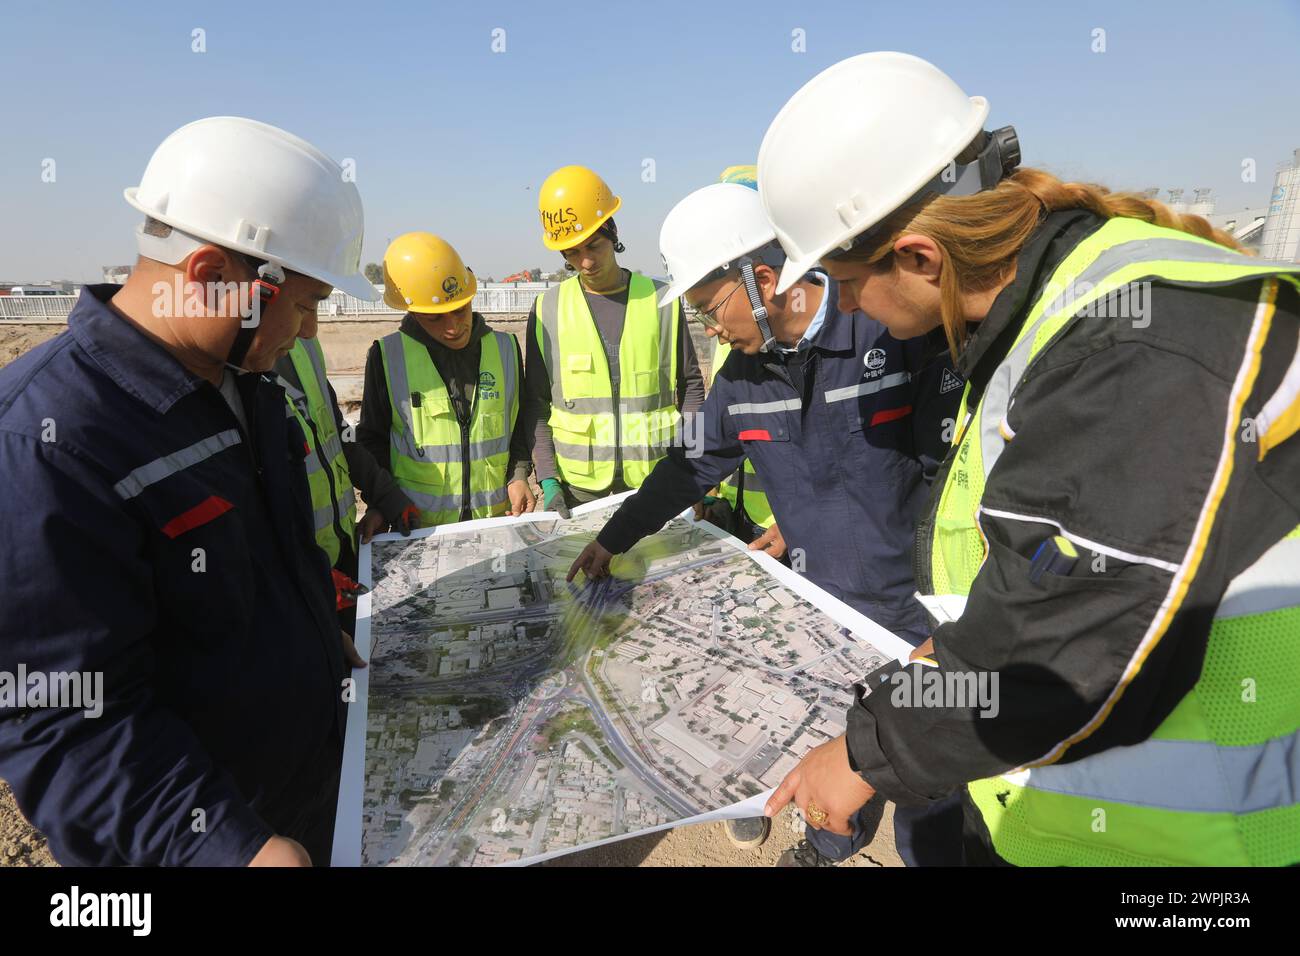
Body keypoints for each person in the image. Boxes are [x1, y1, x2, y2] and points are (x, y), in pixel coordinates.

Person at [758, 52, 1300, 866]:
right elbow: (1044, 578)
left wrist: (867, 755)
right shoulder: (1051, 316)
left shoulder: (1137, 356)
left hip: (1196, 854)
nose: (848, 308)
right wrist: (939, 663)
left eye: (845, 281)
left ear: (917, 258)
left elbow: (1055, 661)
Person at [0, 116, 378, 866]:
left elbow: (266, 558)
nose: (307, 335)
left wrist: (312, 634)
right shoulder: (48, 441)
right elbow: (65, 723)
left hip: (308, 784)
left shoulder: (247, 387)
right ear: (210, 276)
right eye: (303, 306)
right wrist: (228, 848)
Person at [566, 179, 960, 862]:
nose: (709, 329)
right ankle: (825, 850)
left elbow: (948, 470)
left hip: (920, 618)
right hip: (827, 618)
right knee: (830, 774)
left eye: (709, 309)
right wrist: (613, 537)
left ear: (765, 280)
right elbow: (690, 466)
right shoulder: (742, 378)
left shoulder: (889, 330)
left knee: (932, 792)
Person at [523, 165, 704, 516]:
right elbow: (537, 404)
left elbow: (692, 388)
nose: (586, 262)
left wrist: (693, 469)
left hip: (656, 483)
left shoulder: (661, 299)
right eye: (572, 253)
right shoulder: (547, 309)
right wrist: (547, 480)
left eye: (595, 246)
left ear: (613, 233)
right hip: (579, 493)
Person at [358, 232, 533, 525]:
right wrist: (381, 503)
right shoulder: (387, 357)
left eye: (460, 310)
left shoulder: (506, 350)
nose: (453, 327)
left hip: (494, 522)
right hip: (418, 528)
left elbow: (519, 426)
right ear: (412, 311)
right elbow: (372, 441)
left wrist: (518, 475)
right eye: (435, 318)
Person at [274, 331, 418, 633]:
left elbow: (339, 434)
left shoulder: (305, 344)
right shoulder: (235, 369)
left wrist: (388, 498)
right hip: (298, 573)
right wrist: (303, 574)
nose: (312, 325)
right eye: (304, 305)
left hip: (344, 549)